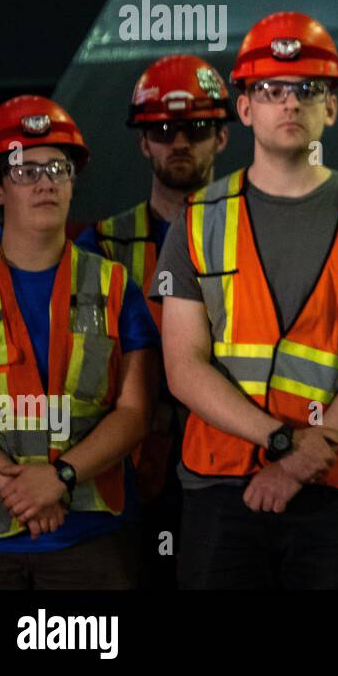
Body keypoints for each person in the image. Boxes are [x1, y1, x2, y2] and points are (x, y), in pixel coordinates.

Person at [158, 11, 338, 589]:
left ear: (331, 107)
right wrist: (280, 443)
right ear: (245, 107)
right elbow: (182, 366)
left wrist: (306, 457)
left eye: (308, 89)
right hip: (221, 484)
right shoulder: (198, 220)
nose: (289, 102)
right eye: (270, 89)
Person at [0, 96, 157, 588]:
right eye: (24, 171)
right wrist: (24, 492)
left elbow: (135, 413)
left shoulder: (117, 286)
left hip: (93, 540)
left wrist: (59, 478)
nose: (46, 180)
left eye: (57, 167)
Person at [75, 54, 232, 586]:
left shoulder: (252, 234)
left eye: (197, 128)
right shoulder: (100, 245)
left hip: (228, 456)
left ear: (222, 137)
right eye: (163, 129)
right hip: (127, 462)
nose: (179, 141)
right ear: (143, 142)